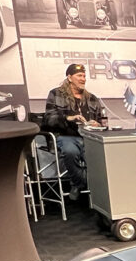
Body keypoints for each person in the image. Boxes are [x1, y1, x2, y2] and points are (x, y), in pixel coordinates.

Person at [43, 63, 108, 200]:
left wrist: (97, 124)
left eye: (84, 76)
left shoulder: (92, 98)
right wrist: (68, 118)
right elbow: (49, 119)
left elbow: (102, 121)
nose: (83, 79)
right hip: (66, 135)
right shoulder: (56, 94)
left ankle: (94, 188)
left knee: (100, 155)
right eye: (79, 75)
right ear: (69, 77)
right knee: (71, 151)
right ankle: (81, 183)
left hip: (89, 137)